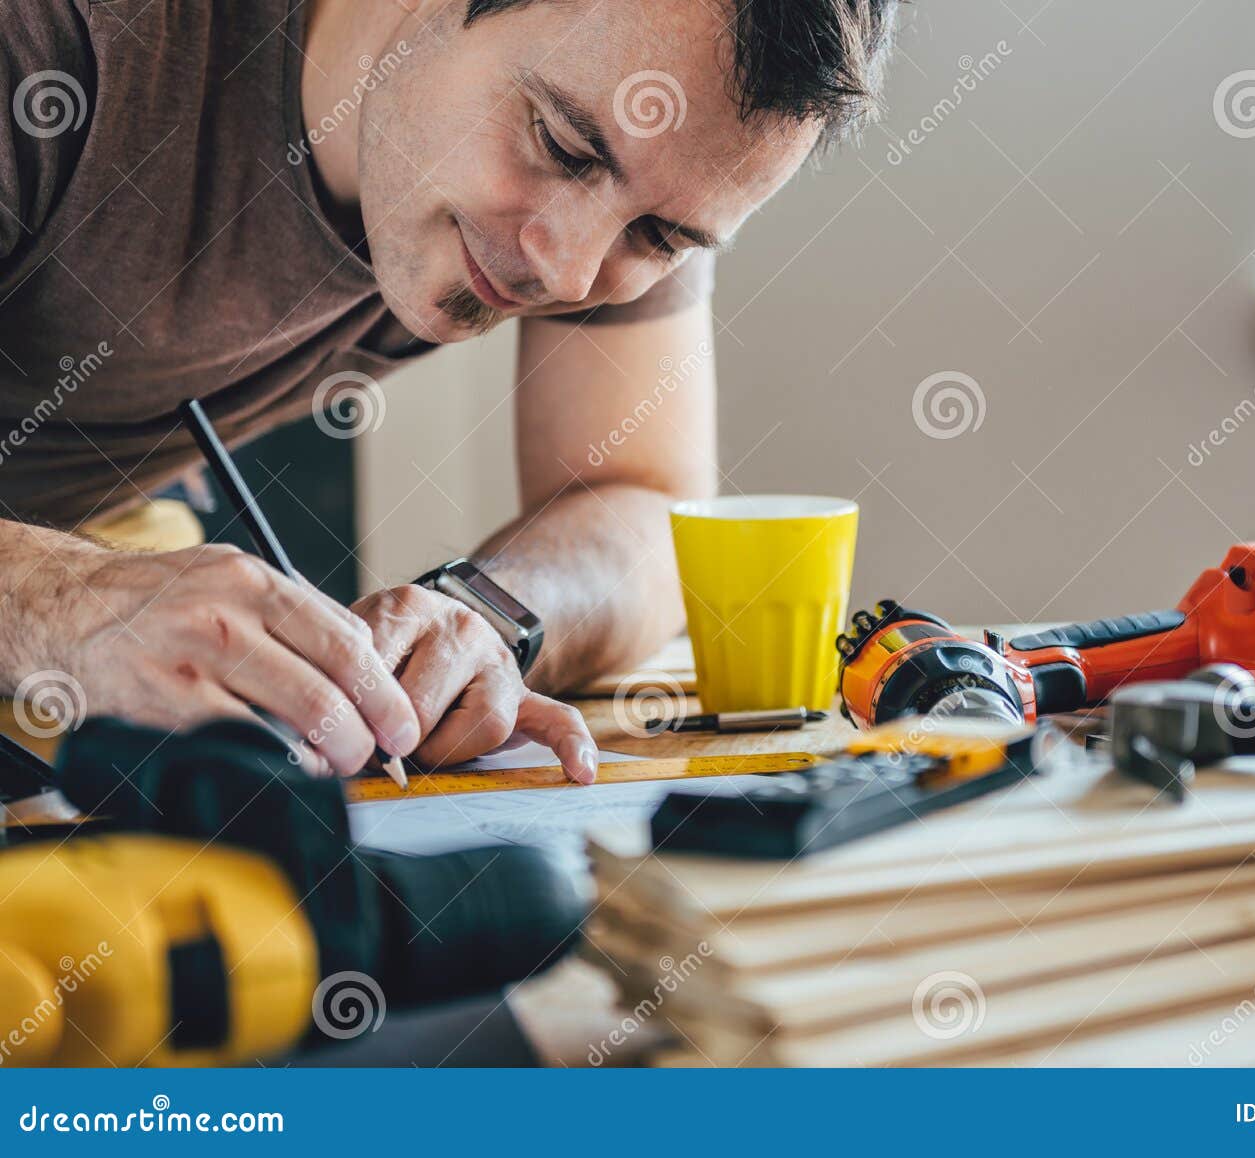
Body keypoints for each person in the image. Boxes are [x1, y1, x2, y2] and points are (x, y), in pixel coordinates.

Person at [0, 0, 899, 781]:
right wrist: (66, 600)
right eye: (561, 145)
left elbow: (641, 501)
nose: (570, 269)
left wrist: (482, 618)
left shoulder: (652, 153)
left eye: (660, 238)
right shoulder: (44, 41)